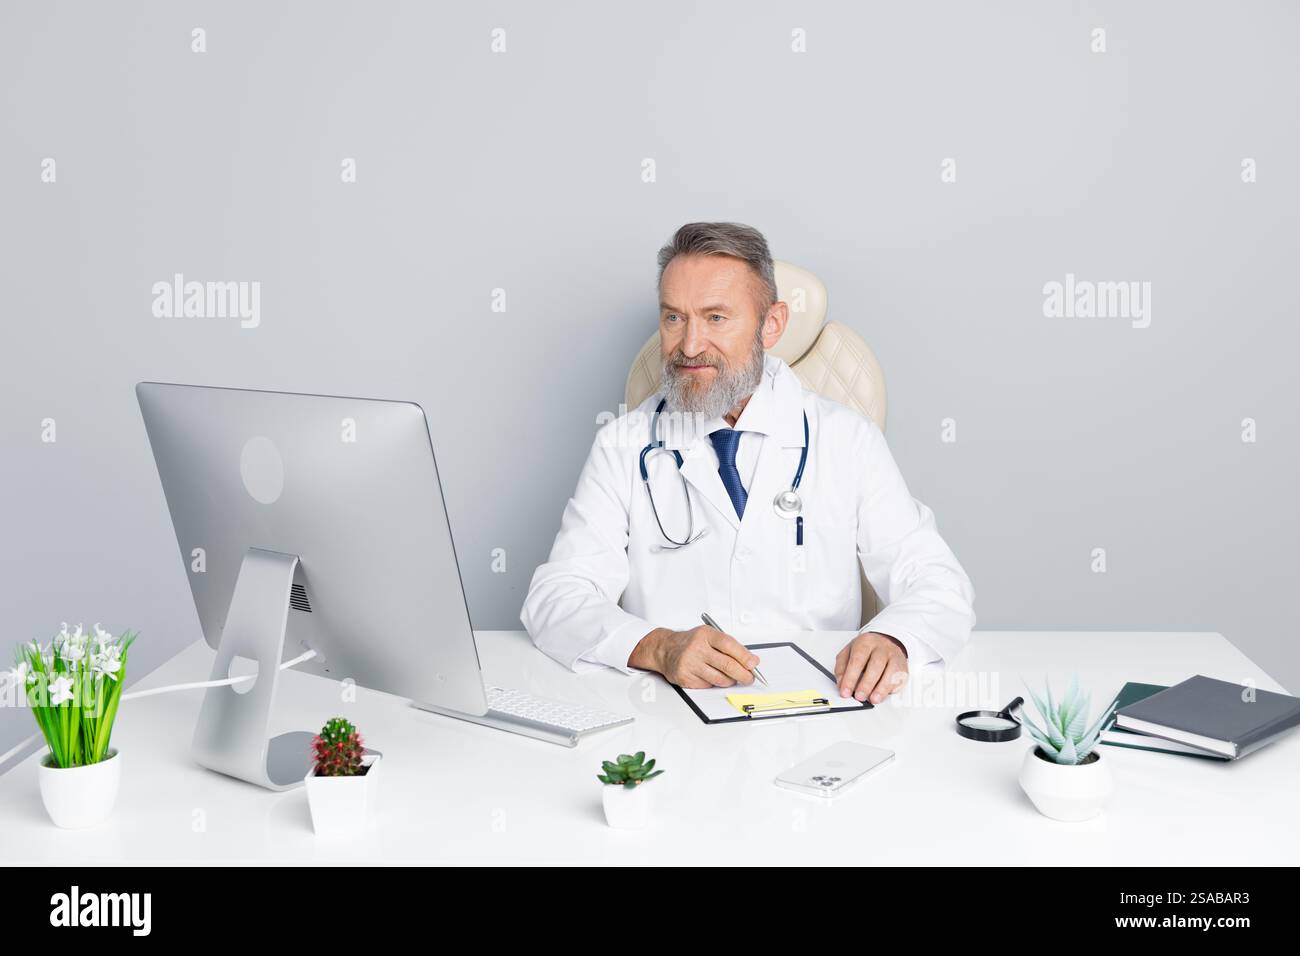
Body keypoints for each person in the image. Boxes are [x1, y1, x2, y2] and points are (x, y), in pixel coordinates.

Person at [521, 222, 974, 704]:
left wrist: (894, 640)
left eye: (716, 318)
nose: (690, 345)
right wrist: (657, 646)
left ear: (772, 324)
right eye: (674, 318)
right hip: (671, 715)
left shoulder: (846, 439)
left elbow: (938, 583)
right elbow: (555, 599)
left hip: (819, 707)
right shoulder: (624, 443)